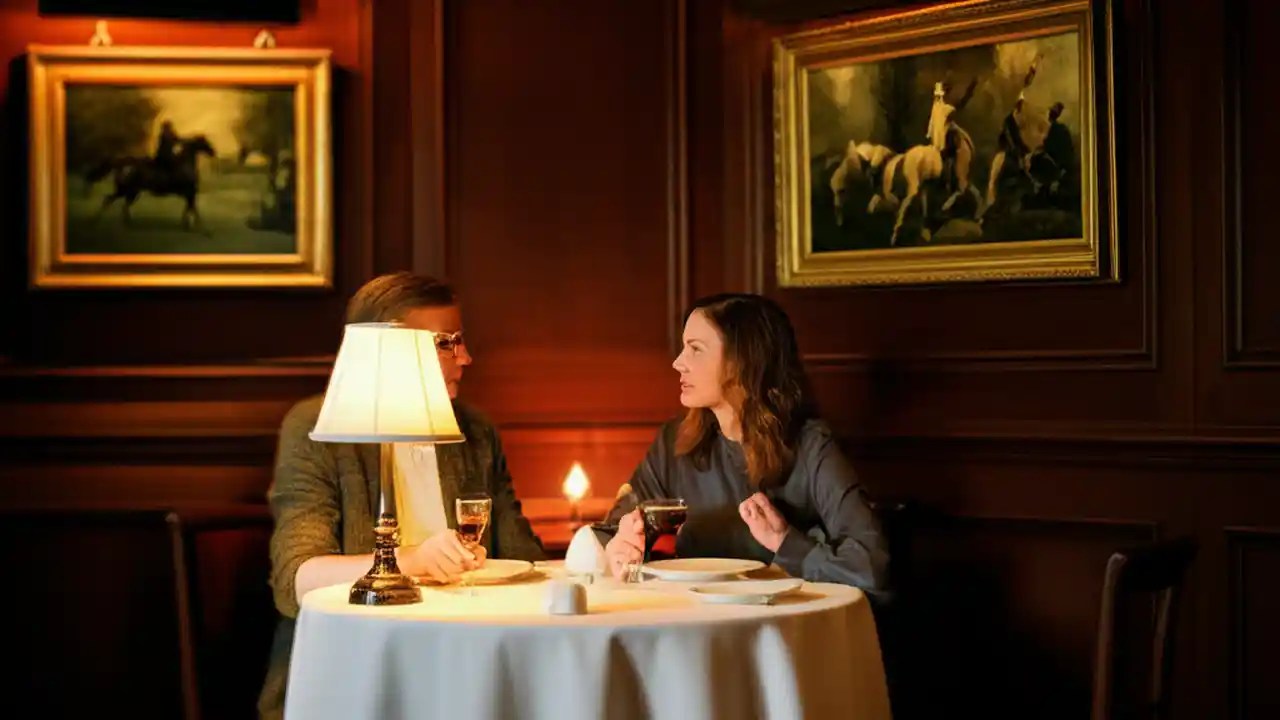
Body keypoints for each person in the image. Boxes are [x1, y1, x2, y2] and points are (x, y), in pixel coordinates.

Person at [257, 272, 546, 720]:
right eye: (446, 343)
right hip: (354, 669)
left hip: (468, 662)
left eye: (460, 341)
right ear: (387, 353)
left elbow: (526, 560)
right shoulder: (319, 428)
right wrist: (413, 560)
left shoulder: (473, 430)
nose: (466, 357)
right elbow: (298, 580)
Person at [598, 293, 889, 601]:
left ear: (742, 361)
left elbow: (871, 569)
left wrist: (785, 542)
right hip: (691, 618)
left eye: (695, 349)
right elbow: (608, 531)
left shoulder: (811, 446)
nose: (678, 362)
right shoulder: (674, 442)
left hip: (782, 622)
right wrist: (621, 544)